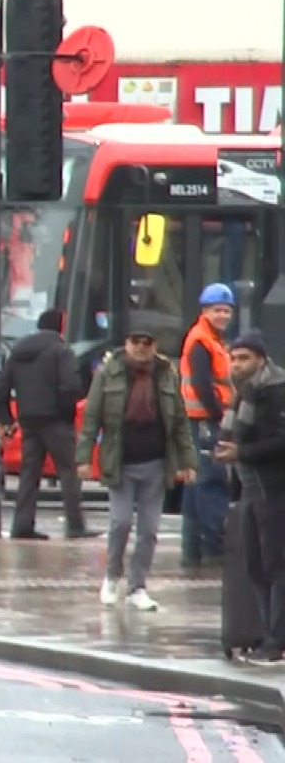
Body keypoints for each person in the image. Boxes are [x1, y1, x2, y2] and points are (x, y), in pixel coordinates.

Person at [76, 325, 195, 611]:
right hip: (121, 462)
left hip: (155, 462)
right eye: (135, 341)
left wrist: (188, 461)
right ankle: (111, 577)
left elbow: (179, 422)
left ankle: (137, 587)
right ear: (126, 343)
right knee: (120, 523)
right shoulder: (108, 373)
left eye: (147, 342)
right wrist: (82, 458)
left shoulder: (166, 374)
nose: (141, 347)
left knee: (149, 530)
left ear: (154, 345)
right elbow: (91, 418)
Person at [0, 308, 99, 540]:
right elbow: (70, 386)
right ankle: (76, 525)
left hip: (28, 419)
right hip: (56, 420)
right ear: (60, 326)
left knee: (29, 474)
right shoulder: (61, 351)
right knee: (68, 471)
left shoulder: (18, 352)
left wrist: (7, 420)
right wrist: (65, 411)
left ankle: (22, 525)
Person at [214, 330, 285, 664]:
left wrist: (242, 452)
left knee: (276, 565)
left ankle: (277, 640)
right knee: (255, 566)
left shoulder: (274, 391)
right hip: (249, 489)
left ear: (261, 360)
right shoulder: (243, 393)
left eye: (244, 358)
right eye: (234, 357)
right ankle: (266, 635)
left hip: (274, 488)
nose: (237, 364)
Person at [180, 282, 237, 566]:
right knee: (212, 483)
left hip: (200, 421)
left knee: (195, 487)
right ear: (205, 310)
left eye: (227, 311)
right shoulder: (202, 341)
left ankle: (192, 551)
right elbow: (203, 384)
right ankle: (213, 549)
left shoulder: (211, 339)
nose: (223, 316)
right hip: (206, 421)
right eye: (218, 310)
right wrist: (219, 415)